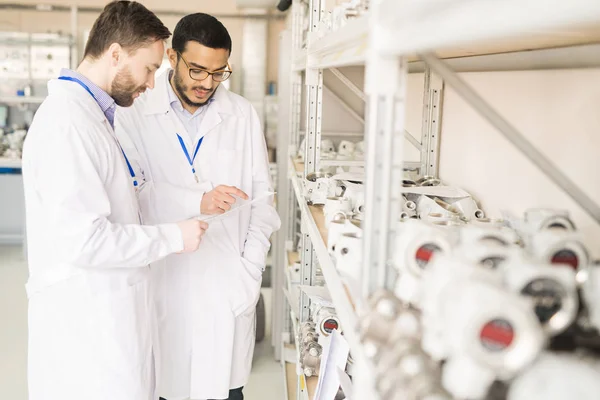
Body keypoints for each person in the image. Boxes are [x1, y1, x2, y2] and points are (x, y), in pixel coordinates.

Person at [21, 2, 208, 400]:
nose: (151, 83)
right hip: (85, 336)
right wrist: (173, 238)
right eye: (149, 69)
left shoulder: (95, 117)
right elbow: (84, 240)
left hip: (105, 324)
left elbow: (133, 192)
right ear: (116, 53)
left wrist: (197, 202)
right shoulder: (67, 124)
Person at [115, 13, 281, 400]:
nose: (207, 83)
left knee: (223, 389)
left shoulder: (241, 114)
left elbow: (262, 200)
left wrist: (251, 269)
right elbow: (133, 193)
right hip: (162, 280)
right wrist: (197, 201)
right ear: (172, 58)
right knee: (162, 385)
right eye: (197, 70)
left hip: (226, 284)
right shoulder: (135, 113)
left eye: (219, 73)